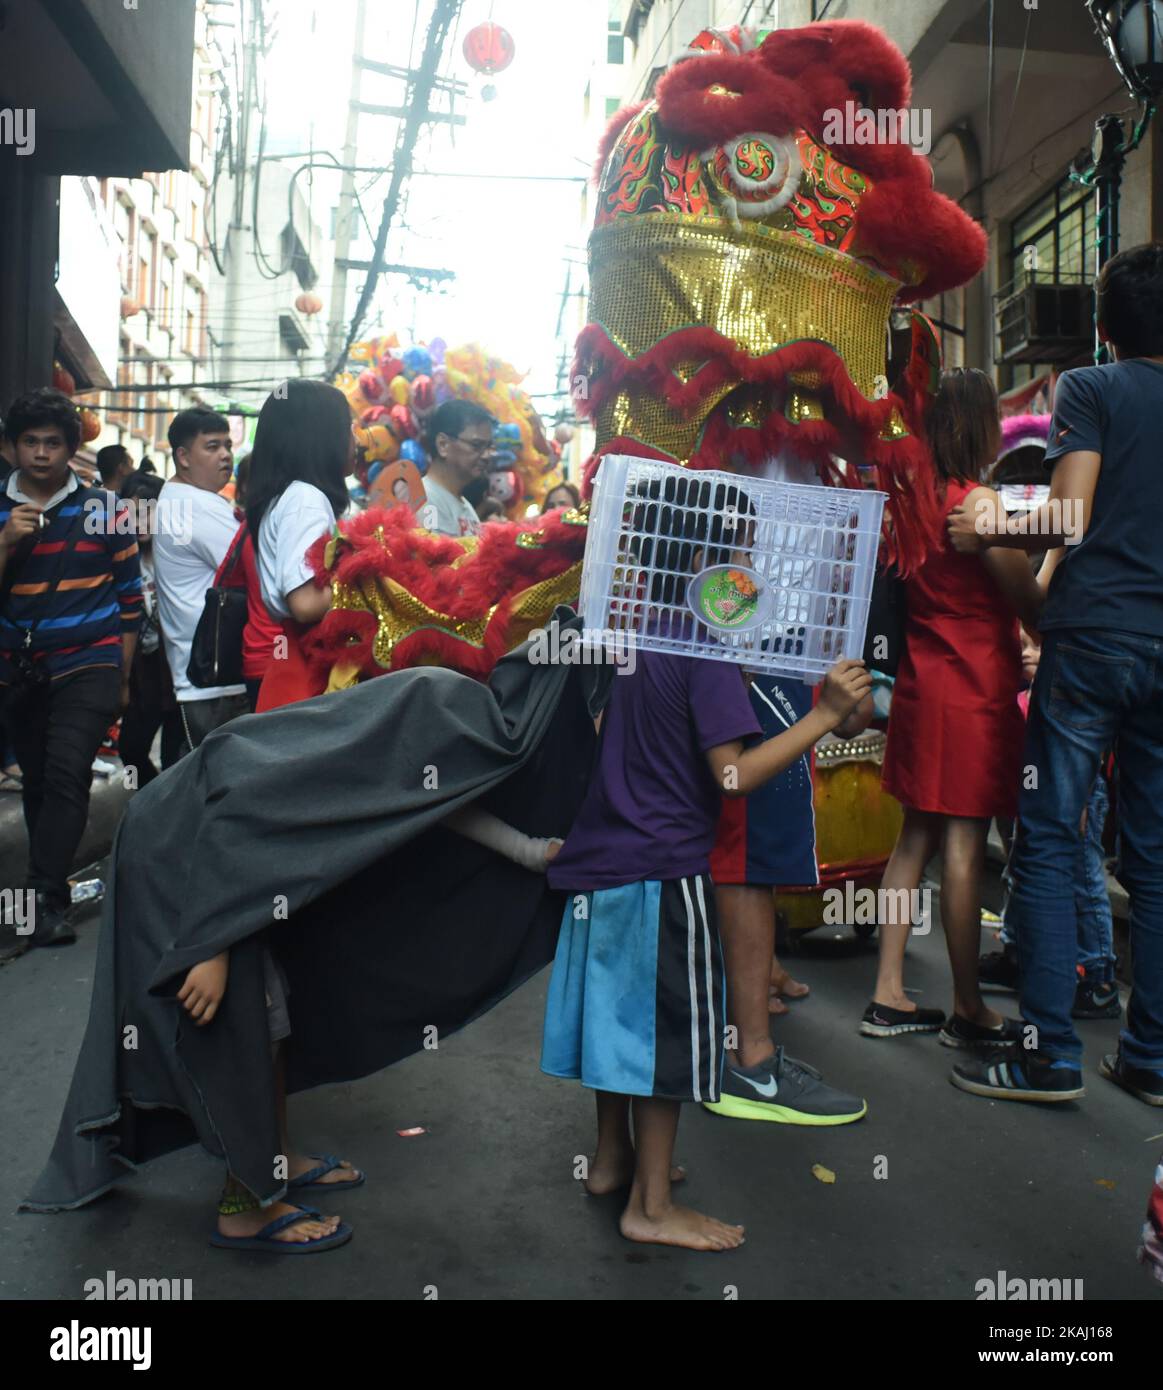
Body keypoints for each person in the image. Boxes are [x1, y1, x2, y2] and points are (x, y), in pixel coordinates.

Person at [541, 473, 872, 1250]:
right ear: (703, 555)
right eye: (740, 548)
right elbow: (733, 776)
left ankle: (609, 1159)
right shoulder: (704, 650)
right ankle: (650, 1207)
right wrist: (822, 716)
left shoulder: (638, 632)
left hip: (604, 866)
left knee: (618, 1023)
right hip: (664, 871)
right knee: (667, 1038)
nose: (750, 564)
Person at [948, 244, 1163, 1105]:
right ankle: (1148, 1059)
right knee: (1151, 857)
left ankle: (1048, 1056)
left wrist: (990, 530)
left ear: (1104, 327)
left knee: (1043, 837)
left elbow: (1069, 514)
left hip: (1093, 640)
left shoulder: (1093, 389)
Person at [862, 369, 1046, 1050]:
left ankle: (886, 993)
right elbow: (1028, 603)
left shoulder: (911, 502)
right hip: (970, 693)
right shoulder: (976, 503)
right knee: (966, 848)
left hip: (921, 686)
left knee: (913, 841)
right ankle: (967, 1006)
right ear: (976, 428)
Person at [0, 389, 142, 963]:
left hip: (91, 659)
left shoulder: (108, 508)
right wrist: (7, 541)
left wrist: (124, 677)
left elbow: (131, 598)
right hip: (20, 667)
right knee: (37, 780)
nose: (40, 454)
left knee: (65, 773)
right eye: (29, 442)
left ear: (70, 448)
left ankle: (43, 902)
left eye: (52, 443)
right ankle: (47, 893)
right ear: (11, 448)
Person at [706, 671, 871, 1123]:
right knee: (747, 860)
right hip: (750, 662)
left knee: (762, 858)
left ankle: (743, 1046)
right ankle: (750, 1061)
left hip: (778, 668)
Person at [978, 628, 1120, 1020]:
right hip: (1032, 794)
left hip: (1078, 795)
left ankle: (1098, 974)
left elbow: (1087, 747)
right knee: (1020, 870)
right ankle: (1017, 951)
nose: (1027, 654)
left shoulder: (1068, 693)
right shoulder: (1022, 694)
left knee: (1083, 879)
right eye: (1021, 645)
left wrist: (1082, 797)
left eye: (1037, 646)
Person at [246, 381, 352, 712]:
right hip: (306, 673)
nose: (356, 441)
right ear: (321, 438)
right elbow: (305, 603)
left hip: (296, 664)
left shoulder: (289, 496)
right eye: (348, 428)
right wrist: (375, 581)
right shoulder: (305, 498)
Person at [153, 408, 248, 755]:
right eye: (211, 446)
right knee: (220, 790)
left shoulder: (182, 499)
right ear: (183, 456)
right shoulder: (194, 506)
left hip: (205, 678)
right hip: (215, 683)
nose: (225, 455)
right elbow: (255, 572)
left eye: (227, 445)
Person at [117, 472, 183, 786]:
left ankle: (168, 817)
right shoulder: (119, 557)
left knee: (176, 758)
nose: (140, 521)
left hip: (177, 665)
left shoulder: (178, 554)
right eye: (132, 513)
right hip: (141, 669)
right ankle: (153, 800)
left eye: (148, 511)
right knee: (130, 748)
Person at [226, 452, 283, 711]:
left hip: (256, 653)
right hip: (286, 654)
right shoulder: (289, 523)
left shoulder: (248, 528)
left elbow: (226, 579)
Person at [419, 400, 494, 538]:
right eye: (476, 445)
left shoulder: (464, 505)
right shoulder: (426, 500)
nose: (486, 455)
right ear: (443, 445)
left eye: (489, 446)